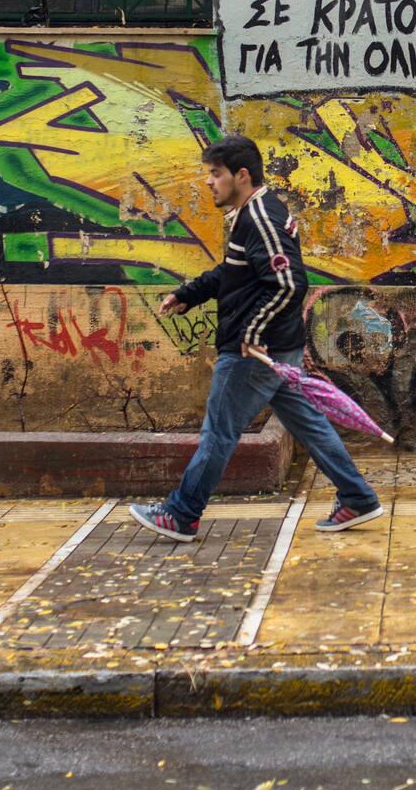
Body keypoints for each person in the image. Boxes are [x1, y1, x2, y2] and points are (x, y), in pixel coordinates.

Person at [131, 134, 383, 543]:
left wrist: (251, 333)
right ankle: (357, 496)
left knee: (219, 432)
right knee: (309, 422)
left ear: (241, 175)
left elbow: (286, 284)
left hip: (255, 352)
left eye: (216, 174)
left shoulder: (260, 218)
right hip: (276, 346)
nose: (209, 182)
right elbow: (235, 273)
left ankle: (181, 513)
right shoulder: (250, 213)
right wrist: (189, 294)